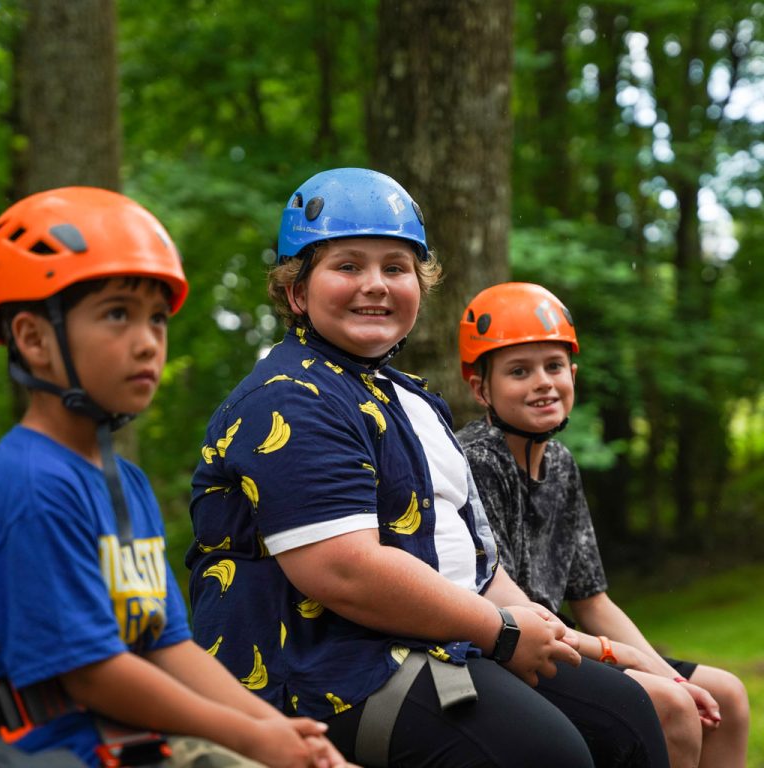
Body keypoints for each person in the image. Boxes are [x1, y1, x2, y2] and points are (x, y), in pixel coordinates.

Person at [187, 167, 671, 768]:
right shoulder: (289, 398)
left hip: (424, 637)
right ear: (295, 292)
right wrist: (504, 632)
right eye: (347, 266)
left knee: (626, 717)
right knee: (544, 753)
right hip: (319, 669)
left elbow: (470, 559)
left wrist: (549, 628)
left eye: (396, 268)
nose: (376, 285)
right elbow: (344, 570)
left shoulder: (408, 398)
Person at [0, 187, 350, 768]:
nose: (148, 342)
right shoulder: (31, 482)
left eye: (156, 319)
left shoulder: (124, 481)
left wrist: (286, 733)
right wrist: (248, 738)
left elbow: (165, 644)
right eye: (117, 315)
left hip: (133, 742)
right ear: (34, 339)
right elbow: (91, 675)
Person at [456, 281, 750, 768]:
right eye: (518, 371)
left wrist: (664, 670)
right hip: (512, 650)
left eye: (554, 367)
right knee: (674, 708)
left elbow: (591, 599)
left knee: (728, 696)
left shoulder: (562, 464)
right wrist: (633, 664)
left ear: (573, 373)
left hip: (570, 640)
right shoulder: (476, 462)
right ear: (480, 387)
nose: (543, 382)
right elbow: (503, 602)